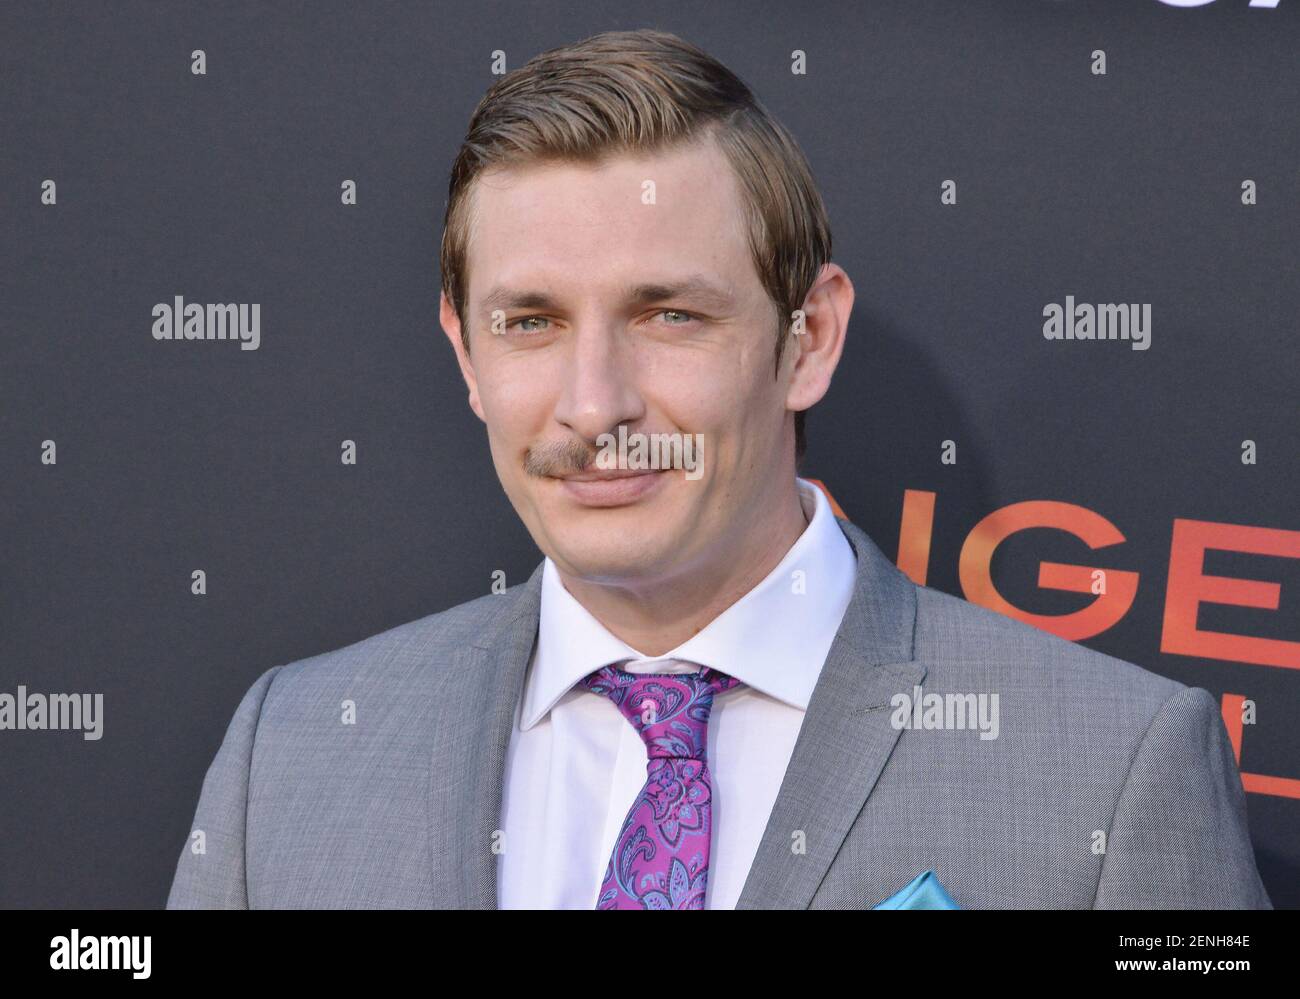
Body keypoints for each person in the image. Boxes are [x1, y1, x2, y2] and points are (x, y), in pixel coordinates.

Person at [167, 28, 1270, 909]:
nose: (594, 402)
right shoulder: (295, 755)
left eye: (671, 314)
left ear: (807, 338)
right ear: (465, 352)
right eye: (532, 321)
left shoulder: (1112, 770)